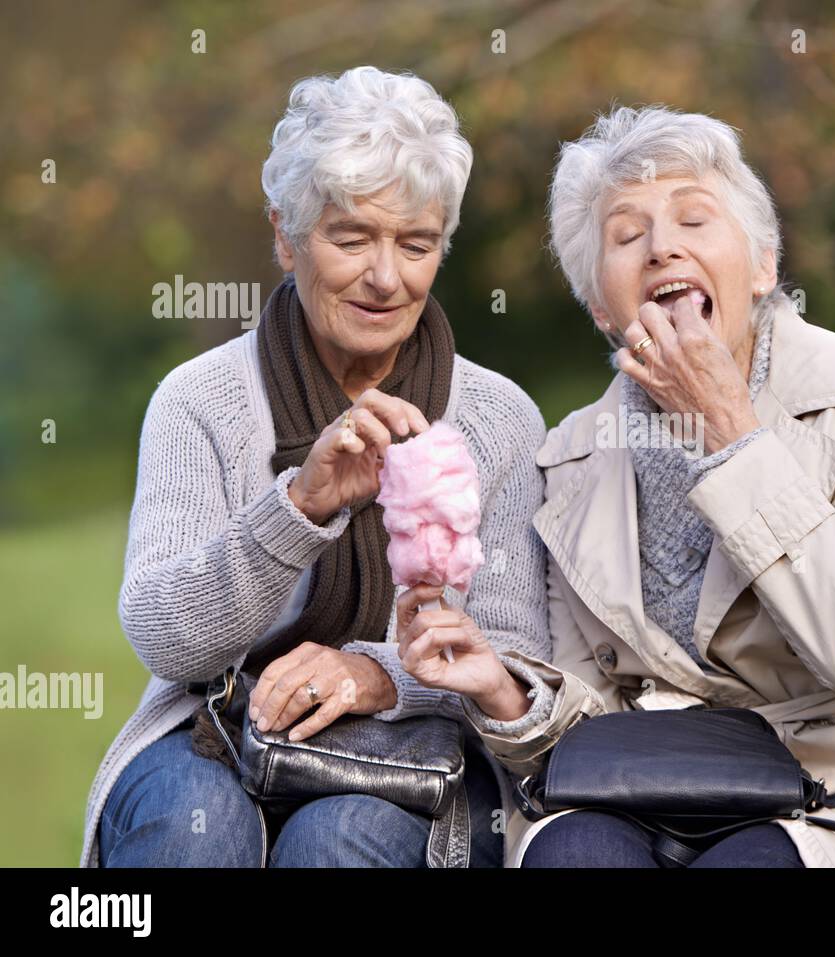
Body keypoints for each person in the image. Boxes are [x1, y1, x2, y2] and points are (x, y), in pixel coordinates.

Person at [400, 105, 835, 867]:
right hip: (652, 788)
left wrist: (731, 433)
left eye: (695, 220)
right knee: (573, 850)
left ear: (761, 267)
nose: (662, 248)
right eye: (627, 236)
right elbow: (584, 726)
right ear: (602, 307)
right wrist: (506, 693)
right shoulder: (567, 459)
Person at [81, 66, 549, 867]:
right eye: (351, 236)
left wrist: (375, 674)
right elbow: (164, 639)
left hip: (414, 746)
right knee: (195, 834)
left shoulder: (498, 417)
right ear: (284, 235)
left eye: (416, 244)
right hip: (213, 724)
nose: (385, 277)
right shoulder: (200, 399)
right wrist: (297, 508)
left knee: (338, 842)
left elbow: (517, 657)